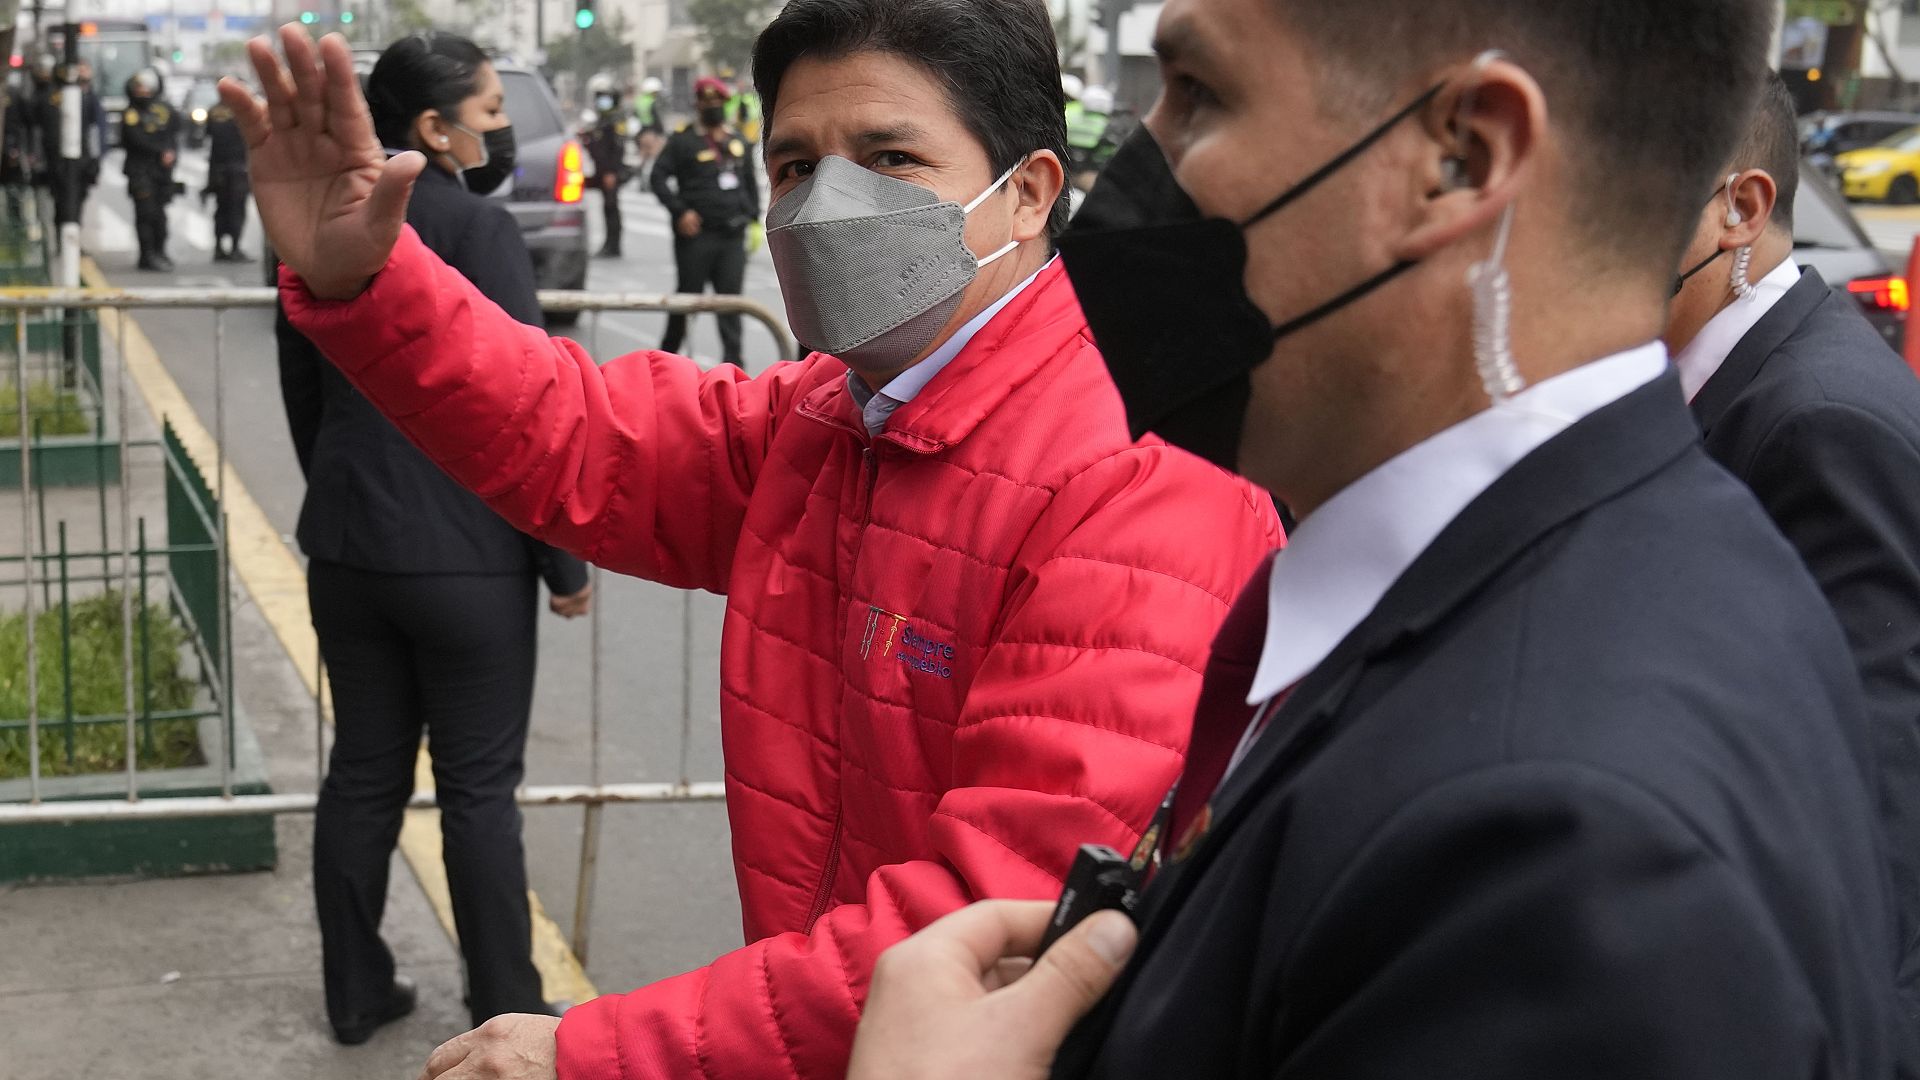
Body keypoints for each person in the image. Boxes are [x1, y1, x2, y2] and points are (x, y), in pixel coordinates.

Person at [850, 0, 1909, 1075]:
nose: (1127, 167)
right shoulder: (1607, 574)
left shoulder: (1561, 857)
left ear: (1462, 159)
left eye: (1201, 94)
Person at [222, 0, 1281, 1074]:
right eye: (795, 165)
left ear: (1029, 193)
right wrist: (366, 277)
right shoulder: (831, 418)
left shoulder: (1138, 479)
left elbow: (989, 923)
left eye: (889, 157)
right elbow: (579, 434)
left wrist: (600, 1057)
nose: (827, 205)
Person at [272, 31, 594, 1046]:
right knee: (477, 791)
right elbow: (523, 405)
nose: (501, 128)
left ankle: (357, 992)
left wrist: (345, 493)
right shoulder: (478, 229)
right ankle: (504, 1002)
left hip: (350, 549)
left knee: (364, 769)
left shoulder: (321, 226)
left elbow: (303, 391)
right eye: (492, 110)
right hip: (468, 559)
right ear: (432, 127)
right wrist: (562, 559)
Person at [1666, 73, 1920, 1015]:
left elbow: (1872, 784)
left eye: (1625, 190)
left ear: (1741, 208)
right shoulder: (1740, 375)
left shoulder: (1822, 421)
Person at [649, 74, 759, 366]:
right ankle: (664, 363)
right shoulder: (683, 140)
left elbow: (749, 182)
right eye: (706, 101)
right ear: (697, 104)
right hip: (696, 238)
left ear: (725, 103)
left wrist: (755, 219)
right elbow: (657, 178)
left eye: (717, 101)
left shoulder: (737, 141)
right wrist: (680, 211)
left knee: (730, 307)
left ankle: (735, 371)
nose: (712, 106)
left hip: (732, 236)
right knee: (686, 303)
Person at [120, 69, 179, 271]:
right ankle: (147, 255)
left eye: (146, 87)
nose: (143, 91)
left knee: (160, 217)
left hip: (161, 173)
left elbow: (173, 133)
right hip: (140, 172)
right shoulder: (131, 114)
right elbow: (135, 140)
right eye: (139, 87)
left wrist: (171, 153)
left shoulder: (163, 110)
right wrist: (160, 151)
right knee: (145, 214)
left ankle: (160, 251)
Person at [583, 75, 629, 258]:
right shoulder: (602, 119)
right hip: (601, 170)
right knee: (607, 207)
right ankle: (609, 244)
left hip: (610, 172)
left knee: (612, 207)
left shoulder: (615, 120)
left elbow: (617, 148)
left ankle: (614, 245)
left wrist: (611, 172)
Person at [204, 98, 251, 261]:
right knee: (236, 210)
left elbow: (208, 135)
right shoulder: (243, 111)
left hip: (218, 168)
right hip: (237, 168)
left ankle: (219, 247)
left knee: (221, 208)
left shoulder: (214, 111)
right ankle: (234, 247)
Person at [632, 75, 666, 178]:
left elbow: (635, 115)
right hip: (652, 133)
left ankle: (641, 177)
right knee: (657, 156)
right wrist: (662, 132)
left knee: (643, 158)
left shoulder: (639, 101)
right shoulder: (652, 102)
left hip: (641, 133)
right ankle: (654, 178)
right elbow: (656, 119)